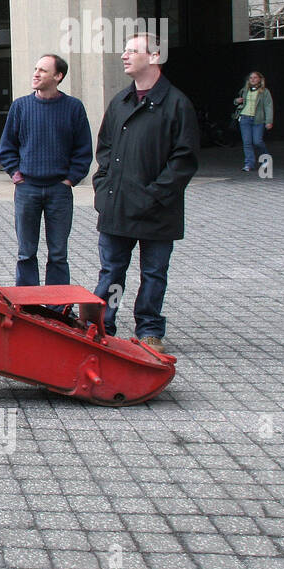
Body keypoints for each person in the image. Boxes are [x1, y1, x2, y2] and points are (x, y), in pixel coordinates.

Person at [91, 33, 199, 351]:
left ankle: (149, 330)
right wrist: (103, 187)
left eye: (133, 51)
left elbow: (184, 159)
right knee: (112, 270)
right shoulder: (120, 102)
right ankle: (101, 324)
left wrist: (153, 195)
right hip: (117, 207)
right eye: (124, 50)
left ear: (154, 57)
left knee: (153, 273)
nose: (124, 56)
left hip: (158, 210)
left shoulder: (177, 104)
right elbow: (105, 149)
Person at [0, 54, 93, 288]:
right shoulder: (20, 106)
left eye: (42, 70)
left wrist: (70, 179)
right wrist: (16, 175)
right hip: (27, 189)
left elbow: (83, 149)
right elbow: (6, 147)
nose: (36, 73)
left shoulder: (73, 108)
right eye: (35, 68)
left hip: (59, 190)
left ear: (58, 76)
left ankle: (56, 308)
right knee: (26, 252)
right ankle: (28, 307)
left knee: (59, 254)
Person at [232, 70, 274, 173]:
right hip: (245, 118)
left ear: (260, 79)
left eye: (255, 77)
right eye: (251, 78)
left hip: (258, 119)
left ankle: (266, 159)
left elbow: (268, 106)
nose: (253, 79)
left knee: (257, 141)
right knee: (247, 142)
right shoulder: (245, 90)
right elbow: (237, 102)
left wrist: (269, 121)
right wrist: (236, 101)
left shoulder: (264, 92)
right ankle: (248, 164)